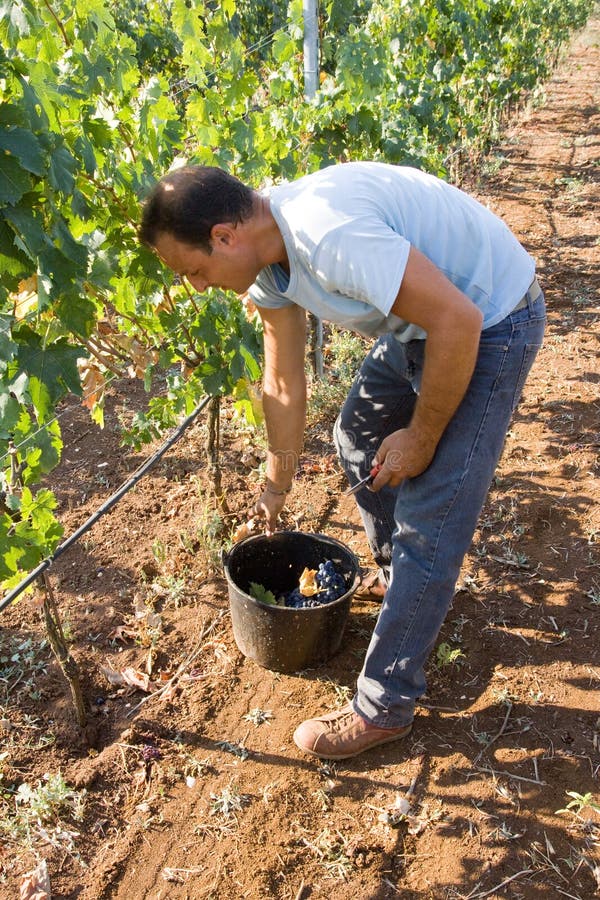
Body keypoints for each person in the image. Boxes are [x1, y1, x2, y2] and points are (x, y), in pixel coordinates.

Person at [140, 161, 546, 761]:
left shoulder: (328, 236)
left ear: (224, 236)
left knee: (432, 514)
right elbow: (283, 379)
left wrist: (421, 437)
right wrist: (276, 483)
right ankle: (402, 579)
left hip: (490, 321)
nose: (198, 287)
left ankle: (385, 705)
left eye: (194, 270)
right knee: (358, 435)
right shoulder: (266, 263)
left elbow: (457, 319)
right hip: (425, 325)